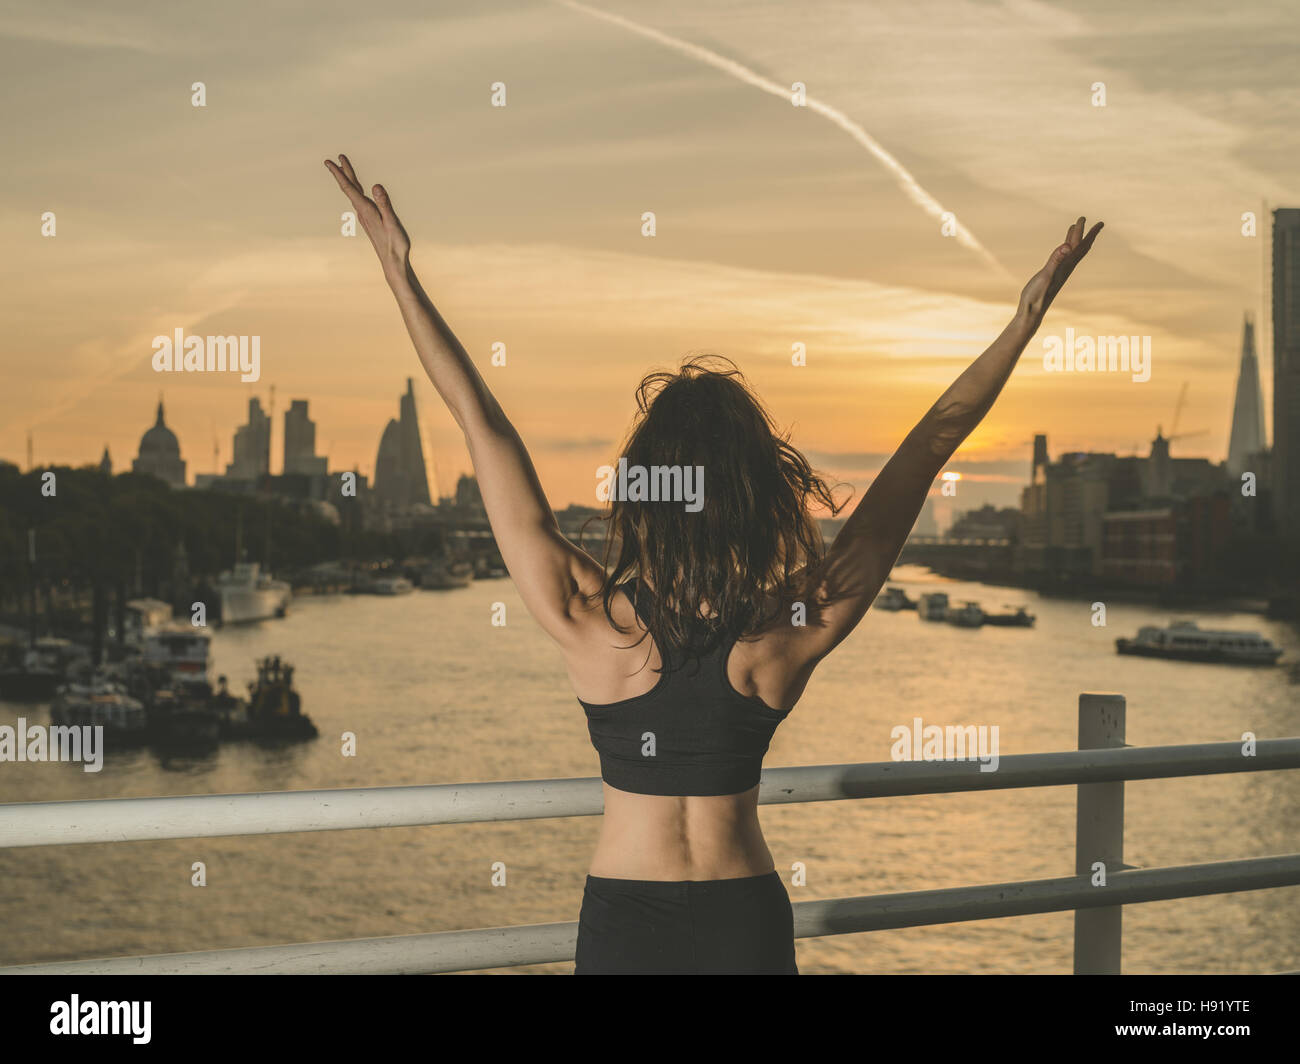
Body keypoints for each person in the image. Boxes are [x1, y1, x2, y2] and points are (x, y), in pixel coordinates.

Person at [325, 154, 1102, 973]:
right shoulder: (784, 632)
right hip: (743, 921)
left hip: (627, 921)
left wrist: (400, 277)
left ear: (645, 487)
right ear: (754, 494)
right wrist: (1021, 325)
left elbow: (481, 425)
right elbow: (925, 451)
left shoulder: (590, 621)